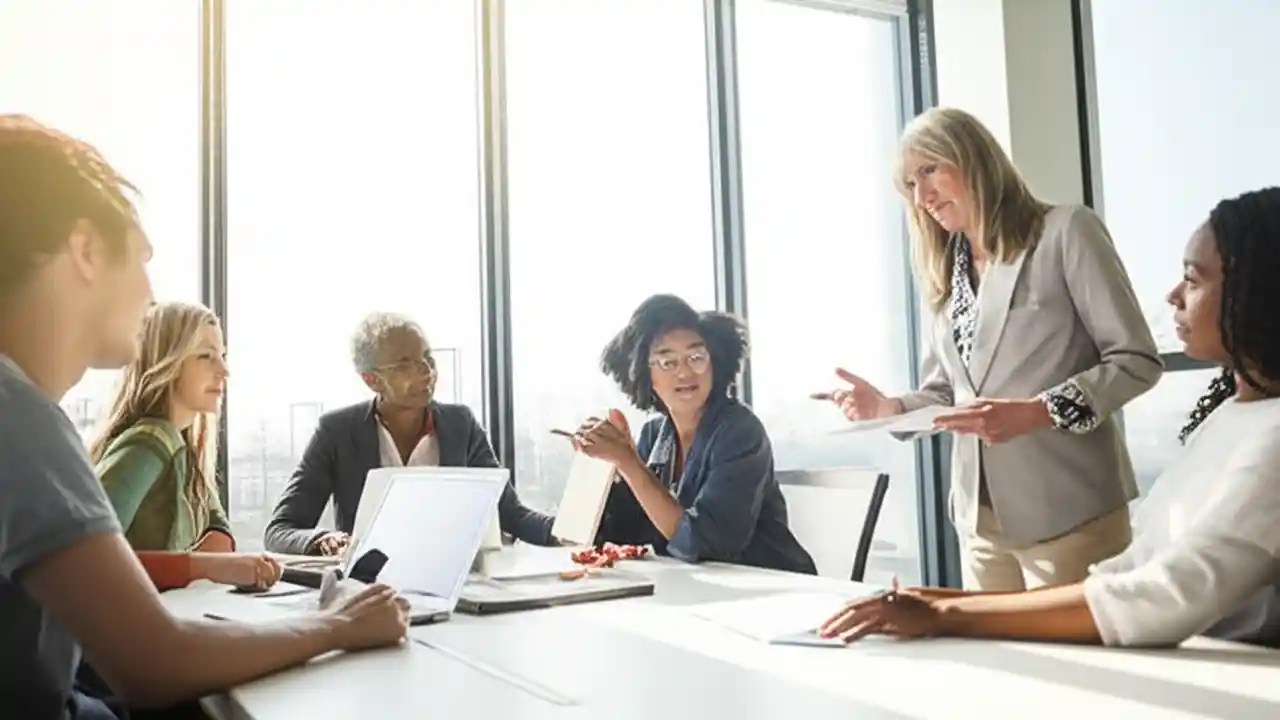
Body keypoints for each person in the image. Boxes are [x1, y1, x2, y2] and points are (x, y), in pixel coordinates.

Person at [0, 114, 407, 719]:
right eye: (140, 260)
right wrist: (335, 626)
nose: (147, 290)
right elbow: (154, 660)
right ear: (85, 250)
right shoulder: (21, 418)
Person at [818, 187, 1280, 648]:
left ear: (1259, 290)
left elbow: (1165, 597)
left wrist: (945, 611)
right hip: (983, 511)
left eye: (1193, 279)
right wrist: (934, 599)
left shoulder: (1272, 436)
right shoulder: (1232, 417)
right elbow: (1134, 567)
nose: (1174, 296)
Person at [819, 107, 1161, 590]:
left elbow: (1135, 360)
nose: (923, 197)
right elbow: (946, 392)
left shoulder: (1066, 232)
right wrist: (890, 407)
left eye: (929, 170)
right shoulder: (947, 272)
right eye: (910, 185)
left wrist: (1038, 412)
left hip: (1069, 512)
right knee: (1002, 664)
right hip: (979, 523)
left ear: (972, 157)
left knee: (1076, 665)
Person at [264, 313, 555, 555]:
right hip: (371, 592)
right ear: (372, 380)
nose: (426, 372)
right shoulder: (337, 432)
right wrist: (320, 540)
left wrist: (576, 534)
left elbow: (512, 515)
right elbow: (280, 530)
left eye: (427, 359)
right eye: (406, 366)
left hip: (453, 585)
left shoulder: (460, 425)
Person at [572, 294, 815, 575]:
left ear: (715, 362)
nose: (685, 372)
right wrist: (613, 469)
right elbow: (627, 535)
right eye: (667, 362)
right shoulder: (655, 434)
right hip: (699, 591)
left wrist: (629, 463)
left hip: (776, 590)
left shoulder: (740, 431)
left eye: (696, 357)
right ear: (642, 373)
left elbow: (706, 545)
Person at [89, 301, 279, 591]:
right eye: (205, 356)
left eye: (222, 355)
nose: (224, 370)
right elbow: (88, 562)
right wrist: (206, 566)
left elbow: (220, 534)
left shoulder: (184, 447)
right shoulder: (149, 443)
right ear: (168, 362)